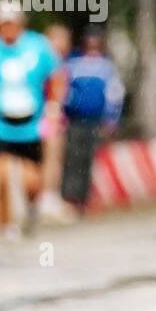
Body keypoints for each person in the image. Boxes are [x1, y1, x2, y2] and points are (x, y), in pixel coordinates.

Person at [0, 1, 65, 239]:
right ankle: (7, 225)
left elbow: (58, 76)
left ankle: (31, 208)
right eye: (3, 25)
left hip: (30, 126)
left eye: (12, 24)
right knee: (3, 176)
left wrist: (54, 105)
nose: (8, 30)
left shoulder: (38, 47)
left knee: (31, 182)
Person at [61, 26, 125, 214]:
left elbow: (115, 94)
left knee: (88, 160)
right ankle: (69, 197)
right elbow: (64, 90)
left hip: (95, 119)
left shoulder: (107, 66)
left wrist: (112, 119)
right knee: (73, 158)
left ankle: (83, 198)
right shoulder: (73, 64)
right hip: (74, 119)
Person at [39, 24, 73, 221]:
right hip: (46, 115)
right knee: (50, 156)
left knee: (56, 157)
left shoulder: (61, 63)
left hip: (55, 115)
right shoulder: (45, 63)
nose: (60, 44)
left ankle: (50, 196)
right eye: (55, 39)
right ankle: (46, 198)